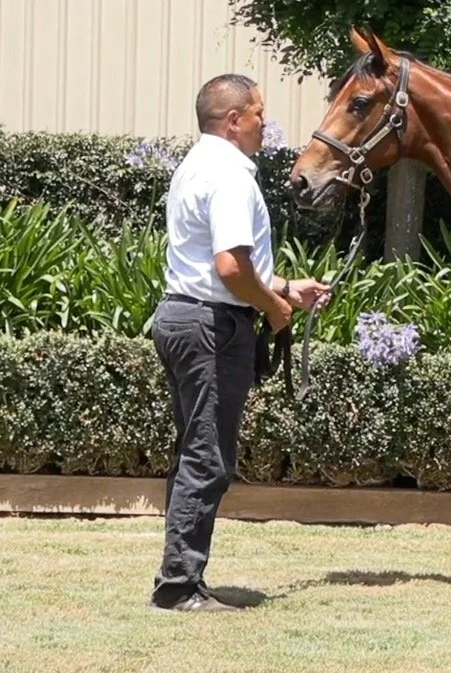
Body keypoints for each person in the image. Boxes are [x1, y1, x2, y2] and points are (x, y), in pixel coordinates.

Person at [149, 73, 331, 612]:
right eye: (257, 115)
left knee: (193, 454)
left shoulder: (194, 167)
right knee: (208, 459)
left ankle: (181, 577)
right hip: (211, 326)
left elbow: (221, 263)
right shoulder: (230, 173)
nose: (263, 126)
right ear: (232, 121)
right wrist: (273, 306)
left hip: (183, 315)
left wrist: (285, 288)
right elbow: (230, 267)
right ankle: (179, 586)